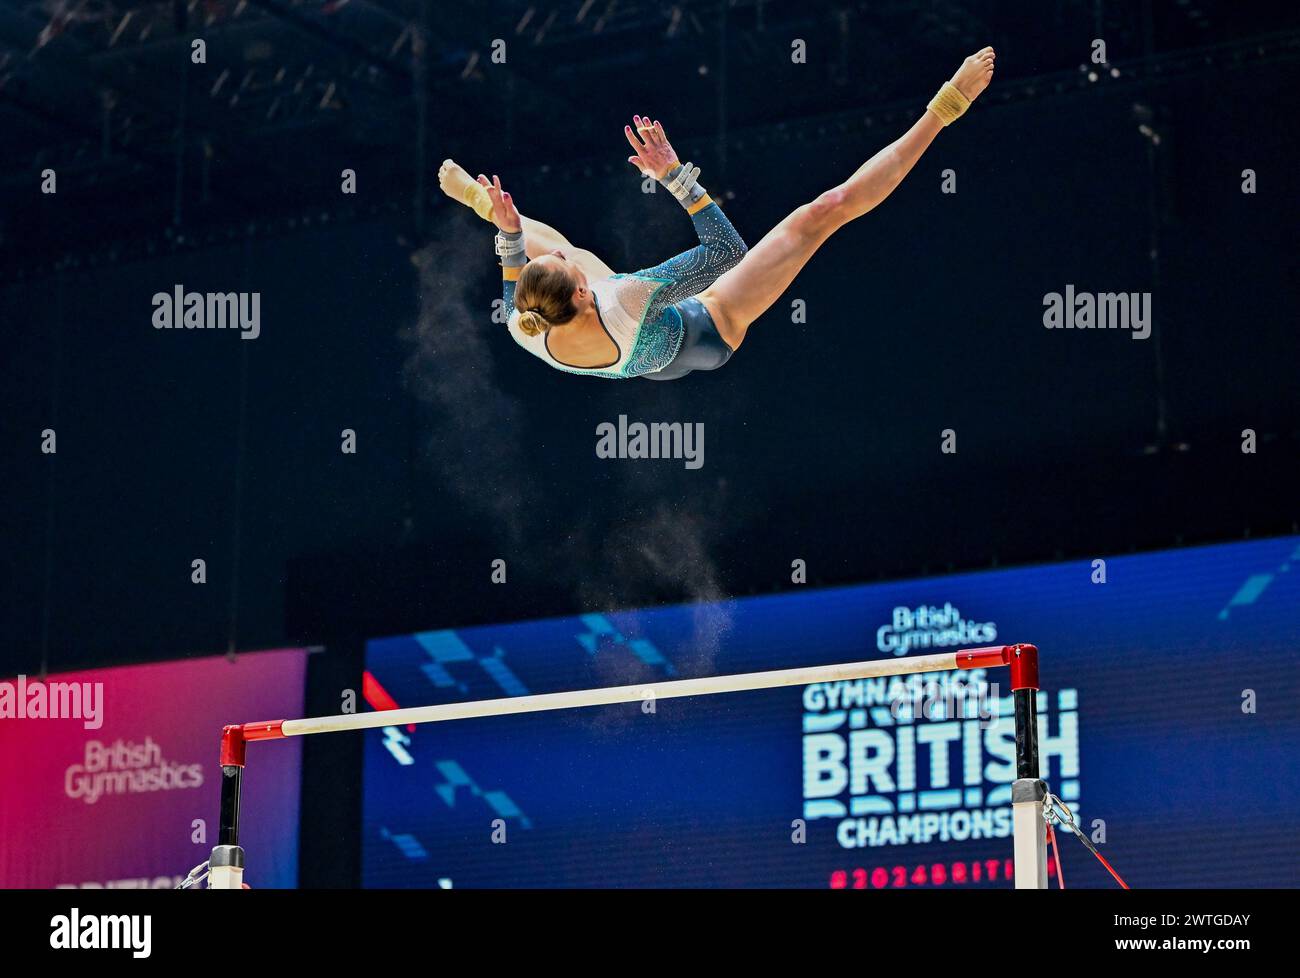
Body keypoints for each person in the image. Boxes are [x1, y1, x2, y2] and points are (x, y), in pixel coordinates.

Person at [440, 47, 995, 381]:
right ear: (584, 292)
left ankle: (484, 205)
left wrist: (507, 228)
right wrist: (675, 176)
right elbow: (728, 254)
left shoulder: (525, 323)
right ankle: (944, 109)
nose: (564, 256)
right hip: (710, 329)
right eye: (568, 269)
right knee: (822, 212)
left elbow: (520, 274)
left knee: (540, 243)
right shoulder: (627, 296)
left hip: (637, 353)